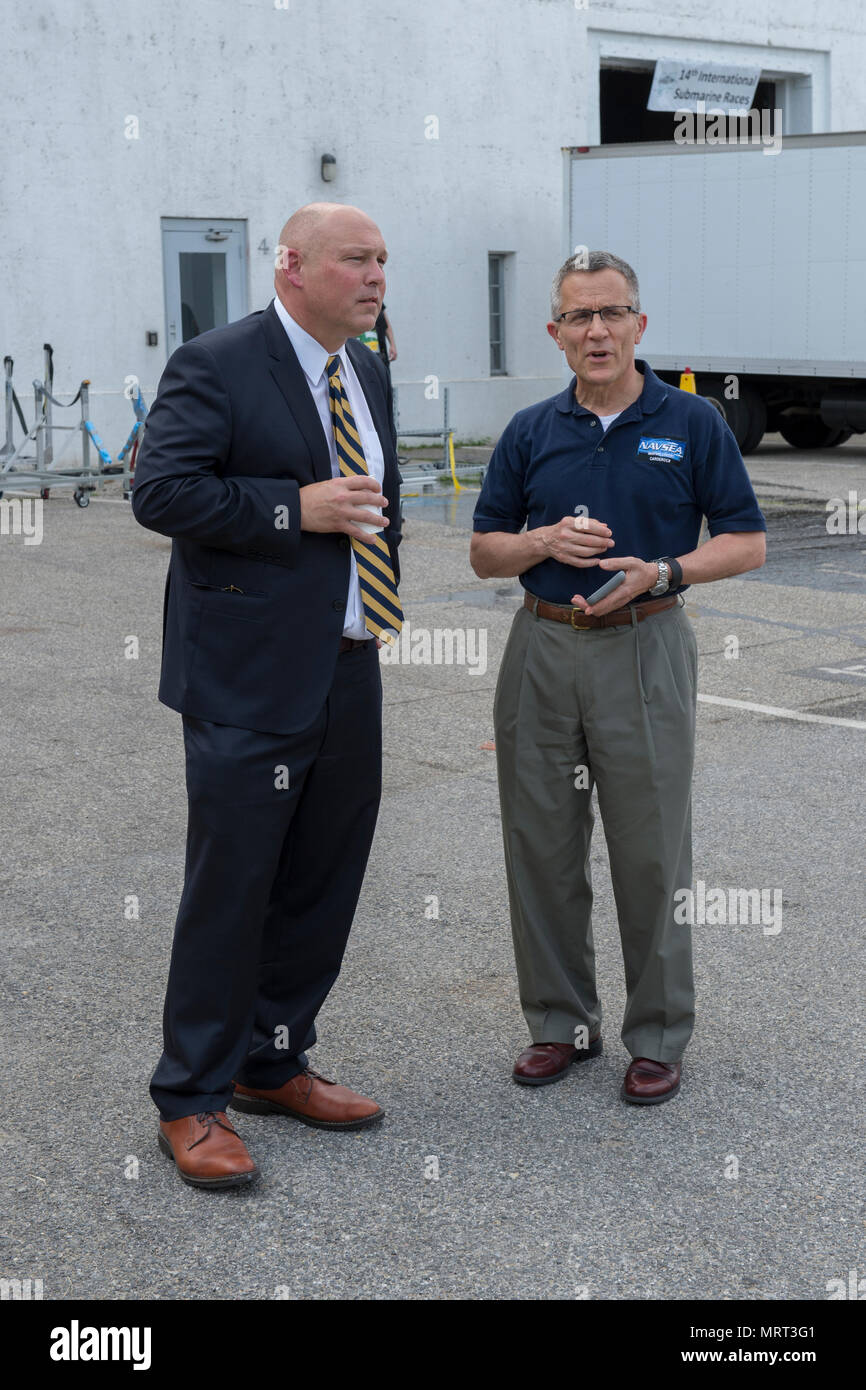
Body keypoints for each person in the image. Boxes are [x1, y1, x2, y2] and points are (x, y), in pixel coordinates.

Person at [131, 202, 403, 1188]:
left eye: (381, 260)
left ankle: (271, 1060)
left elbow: (382, 495)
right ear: (290, 265)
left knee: (321, 877)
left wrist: (375, 597)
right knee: (234, 885)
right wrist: (299, 506)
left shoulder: (364, 365)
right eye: (355, 260)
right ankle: (192, 1097)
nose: (375, 277)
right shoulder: (218, 362)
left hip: (345, 658)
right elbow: (159, 491)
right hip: (246, 677)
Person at [470, 250, 766, 1106]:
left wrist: (666, 573)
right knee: (539, 843)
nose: (595, 331)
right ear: (555, 333)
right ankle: (558, 1024)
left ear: (640, 323)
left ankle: (659, 1033)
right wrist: (540, 543)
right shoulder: (531, 429)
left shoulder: (694, 421)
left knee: (650, 848)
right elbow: (486, 548)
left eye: (611, 314)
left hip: (645, 645)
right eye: (577, 317)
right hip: (543, 647)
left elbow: (745, 540)